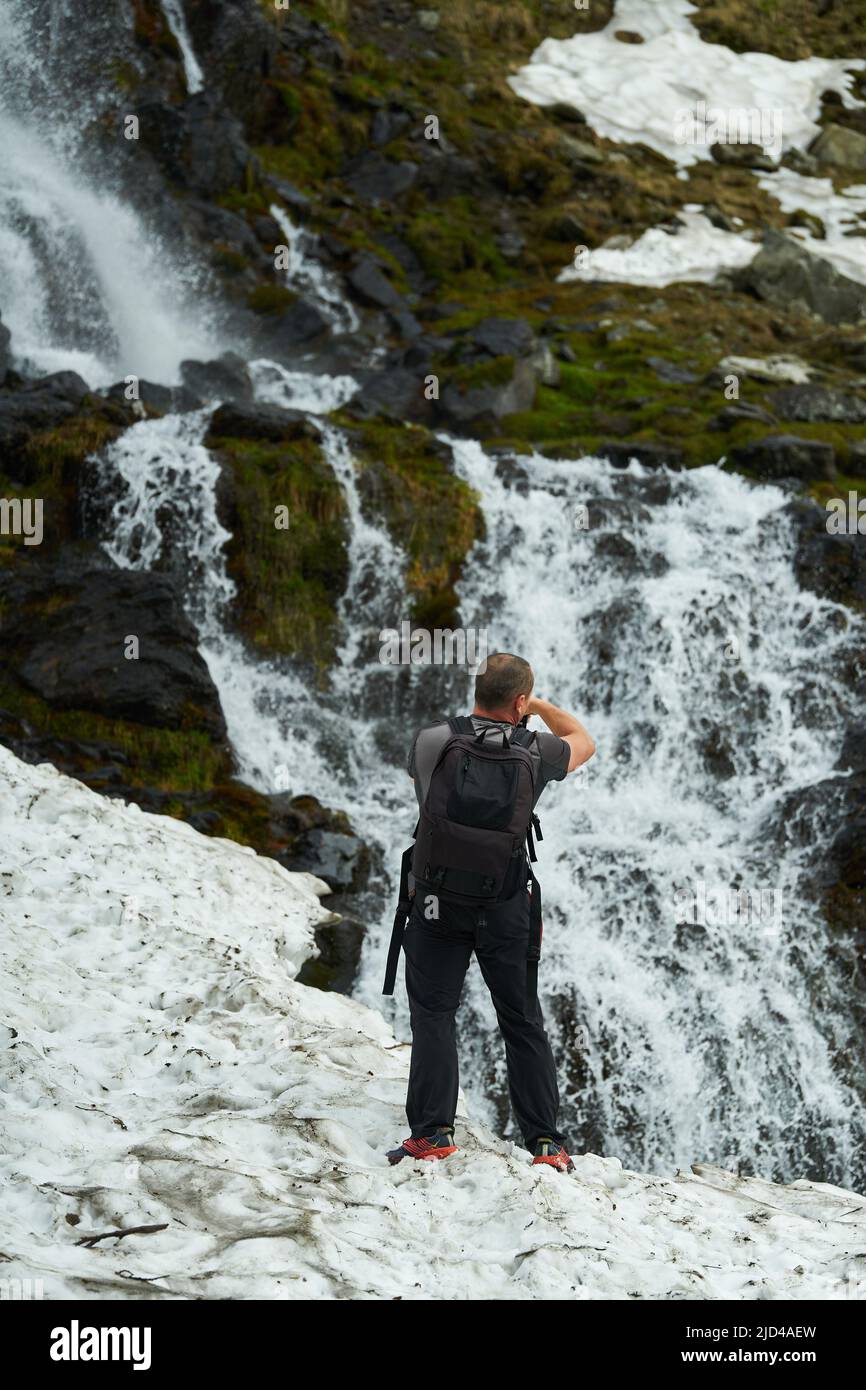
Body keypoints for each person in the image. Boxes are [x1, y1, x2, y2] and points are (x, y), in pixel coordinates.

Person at [384, 652, 595, 1171]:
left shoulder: (432, 740)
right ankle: (545, 1144)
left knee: (434, 1014)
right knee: (521, 1020)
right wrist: (538, 707)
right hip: (504, 906)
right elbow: (586, 741)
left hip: (436, 903)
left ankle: (432, 1134)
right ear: (520, 701)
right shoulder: (536, 748)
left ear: (475, 689)